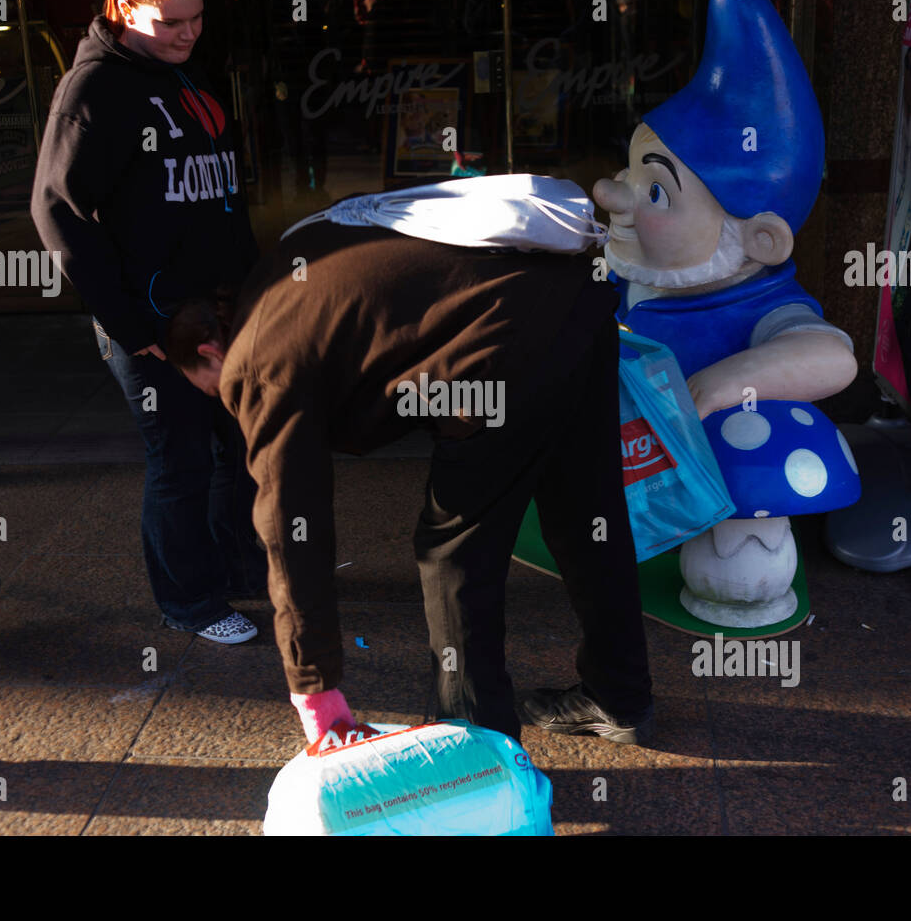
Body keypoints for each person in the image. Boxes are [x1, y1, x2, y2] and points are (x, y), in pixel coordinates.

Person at [164, 218, 655, 746]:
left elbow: (289, 525)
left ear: (212, 352)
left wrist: (314, 688)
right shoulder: (278, 273)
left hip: (501, 346)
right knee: (587, 515)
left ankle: (475, 748)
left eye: (214, 392)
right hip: (575, 300)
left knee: (453, 551)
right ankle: (618, 693)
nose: (230, 405)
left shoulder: (254, 361)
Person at [31, 0, 265, 645]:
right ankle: (189, 603)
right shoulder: (94, 88)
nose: (187, 34)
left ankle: (237, 568)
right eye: (170, 22)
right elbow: (55, 212)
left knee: (236, 446)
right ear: (124, 7)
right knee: (181, 461)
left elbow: (219, 196)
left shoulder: (182, 71)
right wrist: (135, 329)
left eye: (196, 19)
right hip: (152, 320)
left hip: (214, 307)